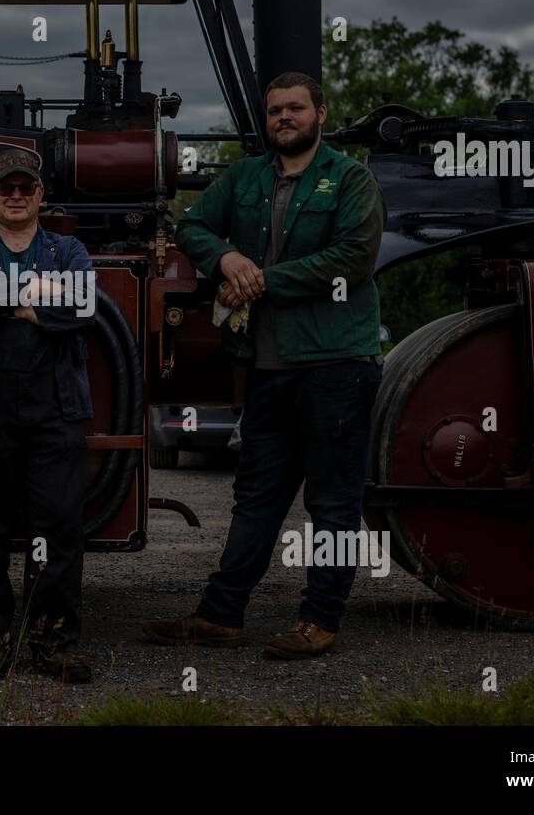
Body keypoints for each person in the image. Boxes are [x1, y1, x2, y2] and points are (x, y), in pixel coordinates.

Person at [143, 71, 385, 658]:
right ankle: (222, 615)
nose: (284, 118)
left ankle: (320, 619)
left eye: (295, 108)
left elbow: (351, 259)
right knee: (257, 497)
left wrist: (260, 281)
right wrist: (225, 257)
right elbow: (191, 226)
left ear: (320, 114)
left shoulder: (349, 179)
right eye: (275, 110)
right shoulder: (246, 176)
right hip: (269, 367)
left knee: (332, 502)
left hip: (337, 363)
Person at [0, 148, 96, 682]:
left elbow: (82, 303)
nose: (15, 196)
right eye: (4, 188)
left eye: (24, 188)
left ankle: (54, 642)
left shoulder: (68, 248)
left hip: (55, 410)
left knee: (57, 531)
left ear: (40, 198)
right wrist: (35, 296)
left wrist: (7, 302)